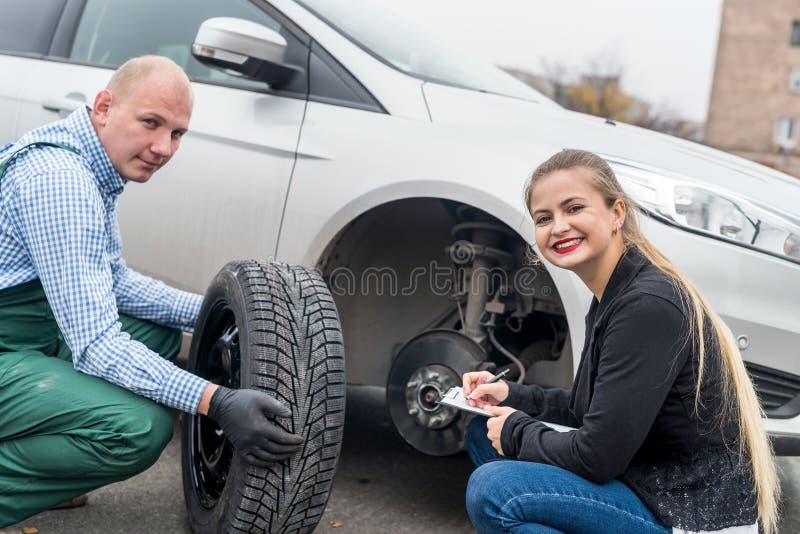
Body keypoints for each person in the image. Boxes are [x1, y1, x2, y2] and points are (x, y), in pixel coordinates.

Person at [0, 55, 303, 528]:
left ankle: (49, 463)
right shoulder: (60, 183)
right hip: (9, 348)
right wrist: (215, 401)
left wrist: (235, 310)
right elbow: (97, 345)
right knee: (137, 429)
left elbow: (115, 283)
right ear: (104, 107)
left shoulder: (89, 167)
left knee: (157, 335)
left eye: (177, 133)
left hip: (20, 339)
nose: (163, 147)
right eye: (150, 123)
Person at [461, 149, 779, 534]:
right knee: (483, 432)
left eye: (574, 208)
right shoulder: (612, 295)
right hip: (646, 482)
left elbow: (597, 456)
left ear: (617, 213)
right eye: (544, 218)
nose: (558, 226)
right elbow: (589, 410)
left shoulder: (646, 305)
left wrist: (516, 429)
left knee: (495, 491)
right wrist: (509, 395)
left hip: (684, 511)